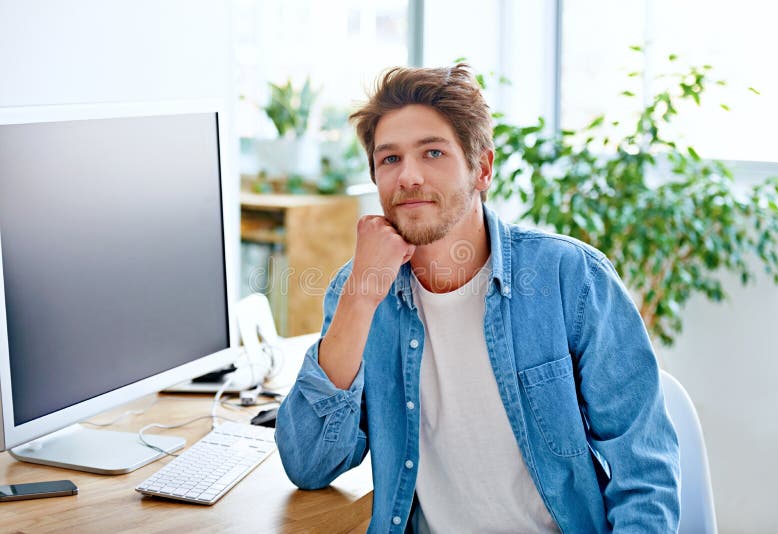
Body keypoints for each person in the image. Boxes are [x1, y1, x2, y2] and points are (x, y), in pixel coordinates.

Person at [275, 64, 680, 533]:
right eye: (389, 159)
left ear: (482, 168)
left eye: (433, 153)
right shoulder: (360, 290)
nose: (408, 176)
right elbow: (309, 464)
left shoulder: (570, 277)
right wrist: (360, 300)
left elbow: (645, 477)